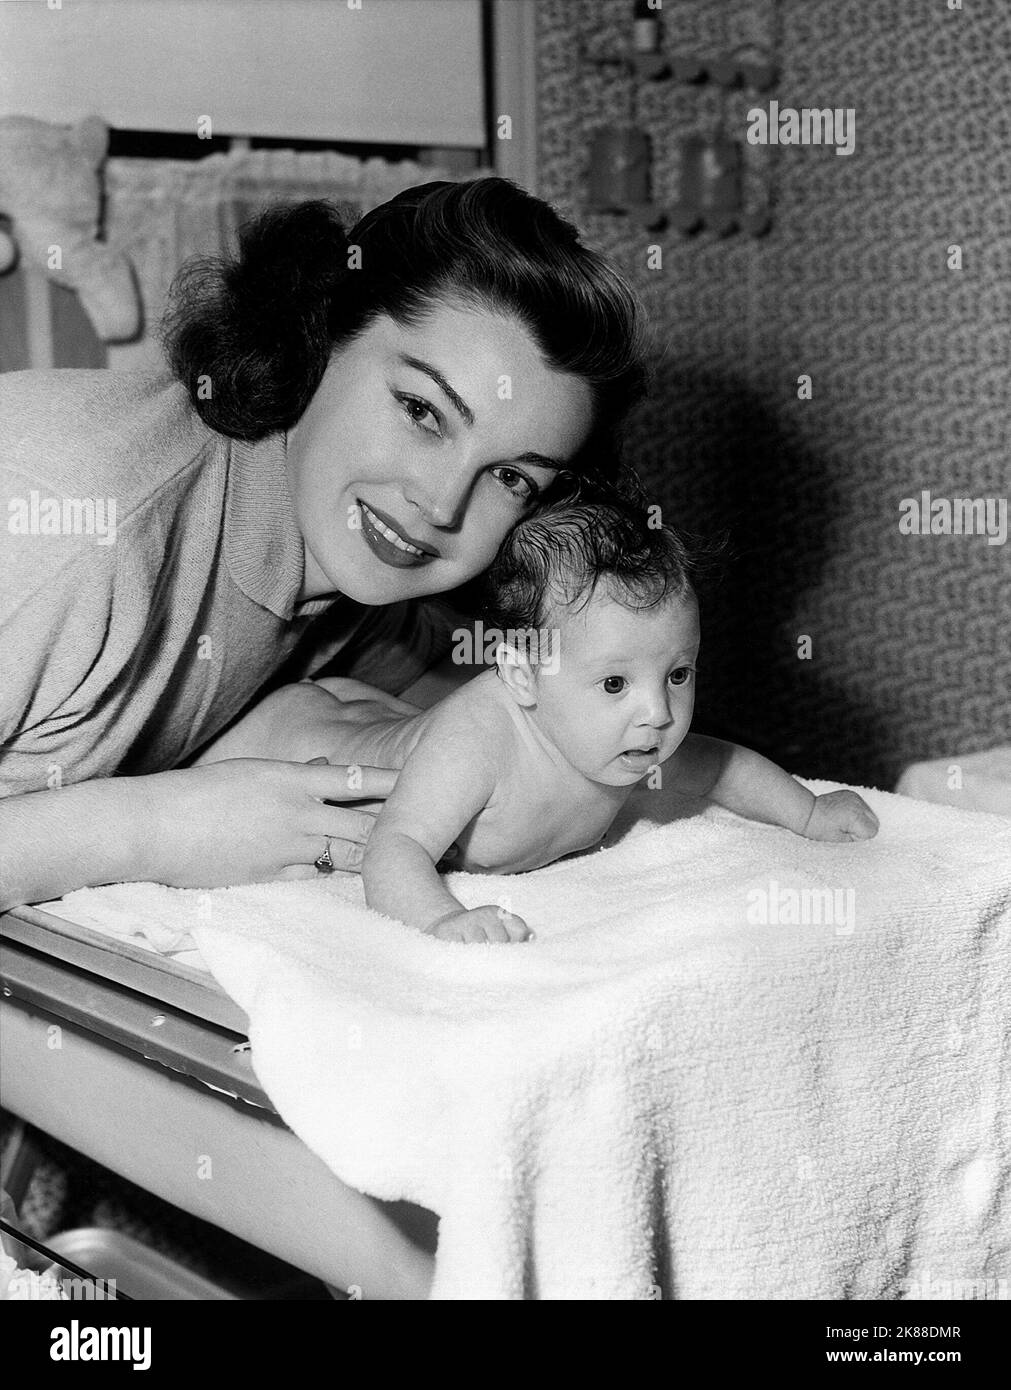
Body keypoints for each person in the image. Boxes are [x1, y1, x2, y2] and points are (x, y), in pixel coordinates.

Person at [0, 177, 648, 912]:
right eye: (420, 411)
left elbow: (486, 714)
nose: (440, 505)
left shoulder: (356, 569)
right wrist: (154, 826)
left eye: (510, 477)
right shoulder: (65, 524)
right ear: (314, 337)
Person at [236, 496, 879, 944]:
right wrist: (438, 920)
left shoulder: (627, 738)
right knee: (329, 731)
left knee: (389, 713)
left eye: (677, 674)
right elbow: (394, 846)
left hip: (380, 711)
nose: (656, 714)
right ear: (521, 674)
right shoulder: (478, 747)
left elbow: (722, 768)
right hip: (293, 734)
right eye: (615, 683)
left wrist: (809, 813)